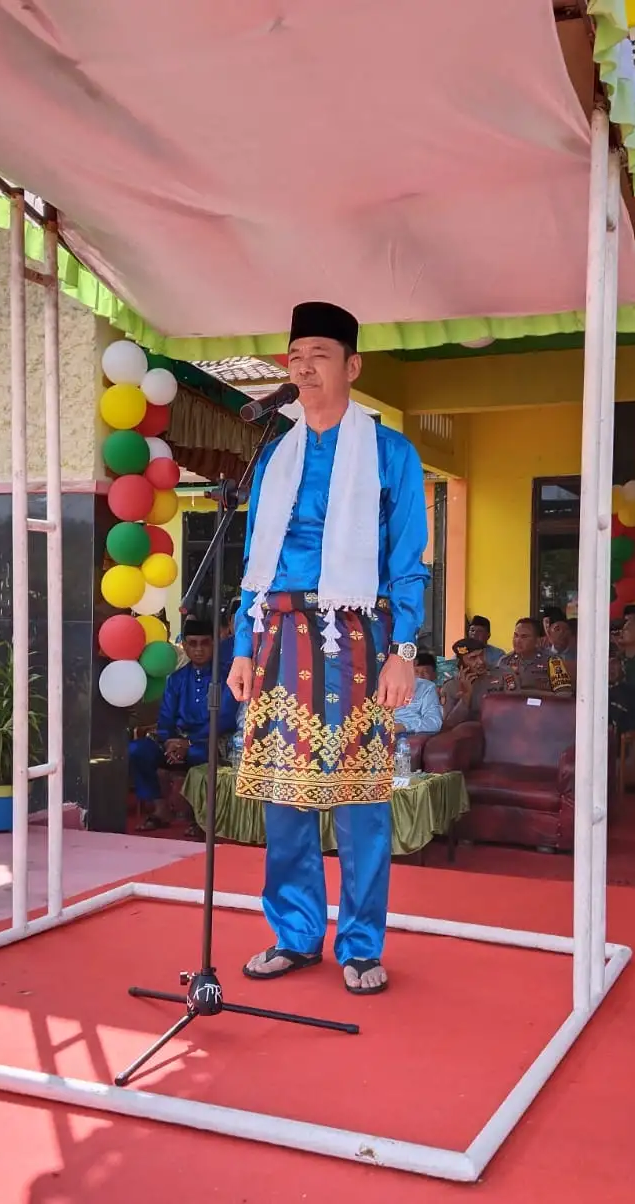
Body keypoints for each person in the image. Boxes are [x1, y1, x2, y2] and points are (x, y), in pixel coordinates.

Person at [228, 301, 428, 997]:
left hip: (358, 641)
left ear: (352, 366)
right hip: (279, 634)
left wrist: (405, 647)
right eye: (294, 356)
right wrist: (242, 647)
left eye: (319, 354)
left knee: (359, 803)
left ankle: (362, 943)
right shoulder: (273, 456)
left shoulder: (392, 452)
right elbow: (256, 563)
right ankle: (294, 934)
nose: (304, 367)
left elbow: (408, 559)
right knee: (284, 800)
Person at [127, 618, 237, 830]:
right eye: (192, 643)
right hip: (175, 741)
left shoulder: (226, 677)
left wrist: (188, 742)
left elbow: (224, 719)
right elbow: (166, 717)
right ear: (184, 646)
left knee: (200, 755)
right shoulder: (176, 678)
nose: (198, 650)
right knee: (137, 750)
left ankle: (200, 817)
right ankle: (160, 809)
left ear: (215, 643)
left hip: (209, 741)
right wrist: (170, 741)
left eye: (204, 643)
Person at [489, 617, 573, 696]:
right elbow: (495, 692)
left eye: (524, 637)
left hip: (542, 709)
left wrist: (526, 694)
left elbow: (564, 694)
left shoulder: (552, 660)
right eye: (516, 635)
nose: (517, 641)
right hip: (511, 709)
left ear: (537, 641)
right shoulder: (505, 661)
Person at [439, 635, 490, 728]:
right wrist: (465, 699)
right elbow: (448, 725)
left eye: (482, 655)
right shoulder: (450, 687)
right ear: (461, 663)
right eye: (473, 658)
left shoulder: (500, 676)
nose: (481, 661)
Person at [392, 650, 443, 736]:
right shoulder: (379, 684)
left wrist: (403, 726)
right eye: (416, 672)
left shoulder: (427, 687)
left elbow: (434, 722)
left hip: (406, 737)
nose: (420, 676)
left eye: (425, 672)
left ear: (435, 674)